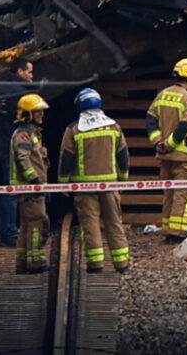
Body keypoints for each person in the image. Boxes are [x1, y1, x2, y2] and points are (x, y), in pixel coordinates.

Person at [59, 88, 131, 273]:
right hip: (110, 184)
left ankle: (95, 263)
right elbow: (123, 155)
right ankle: (122, 263)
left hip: (84, 186)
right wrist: (123, 178)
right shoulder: (114, 126)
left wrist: (64, 182)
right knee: (114, 221)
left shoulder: (74, 129)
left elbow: (66, 158)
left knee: (90, 223)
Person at [146, 58, 187, 242]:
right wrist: (170, 144)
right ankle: (176, 234)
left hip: (164, 155)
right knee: (182, 194)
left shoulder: (162, 94)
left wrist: (157, 142)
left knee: (169, 193)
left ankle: (167, 228)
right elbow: (185, 125)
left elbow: (150, 119)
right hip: (184, 155)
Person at [0, 57, 34, 247]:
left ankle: (9, 230)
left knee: (9, 187)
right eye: (30, 72)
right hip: (16, 147)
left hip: (1, 144)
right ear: (20, 72)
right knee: (14, 189)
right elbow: (26, 122)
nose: (32, 76)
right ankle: (9, 233)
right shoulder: (21, 94)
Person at [9, 94, 50, 273]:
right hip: (30, 188)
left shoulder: (30, 133)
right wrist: (34, 180)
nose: (41, 114)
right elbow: (22, 159)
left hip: (30, 187)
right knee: (37, 223)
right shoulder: (24, 134)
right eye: (37, 111)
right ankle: (36, 262)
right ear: (27, 114)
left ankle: (23, 262)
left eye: (41, 111)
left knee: (26, 225)